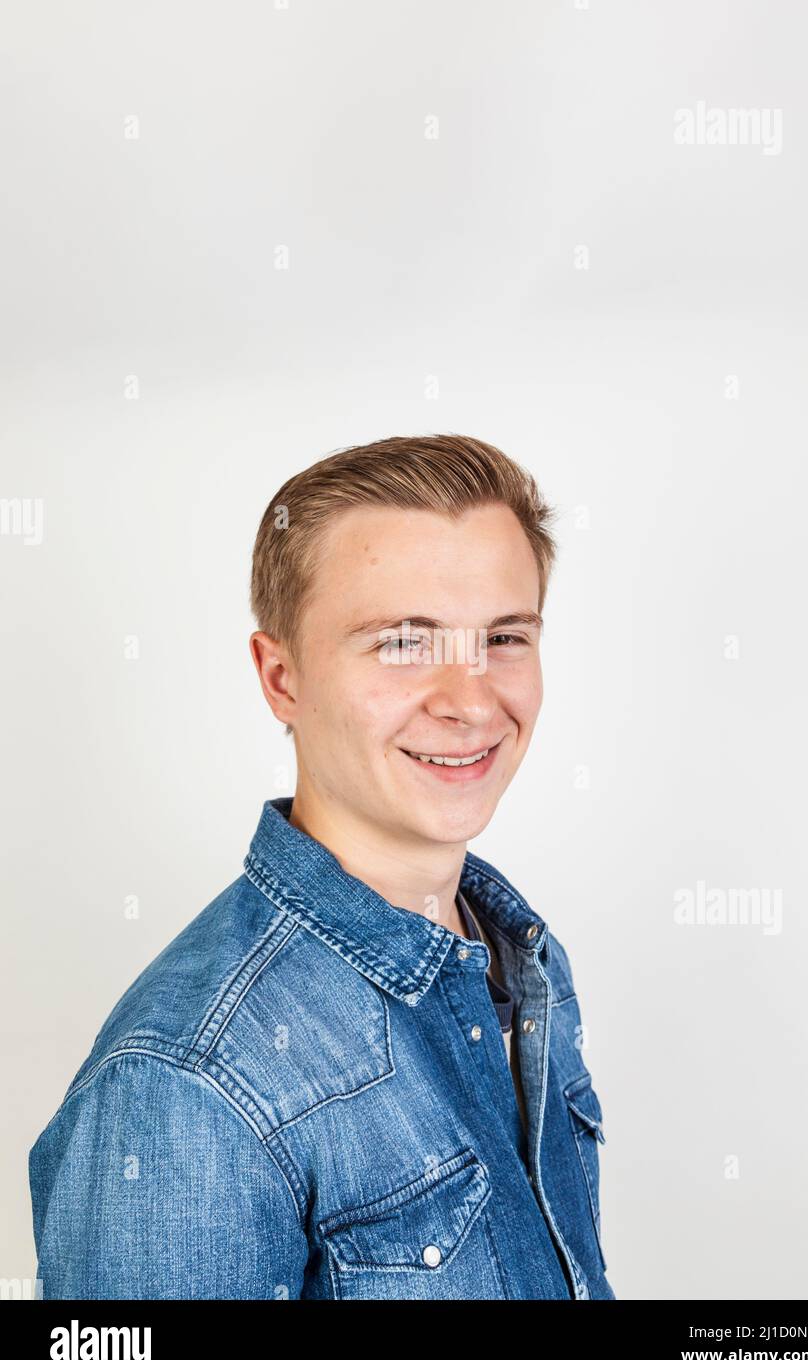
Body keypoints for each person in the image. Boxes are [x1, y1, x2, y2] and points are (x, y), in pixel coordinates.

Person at [28, 433, 615, 1300]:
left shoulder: (519, 959)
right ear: (281, 678)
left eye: (504, 636)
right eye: (402, 642)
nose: (470, 699)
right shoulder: (184, 1087)